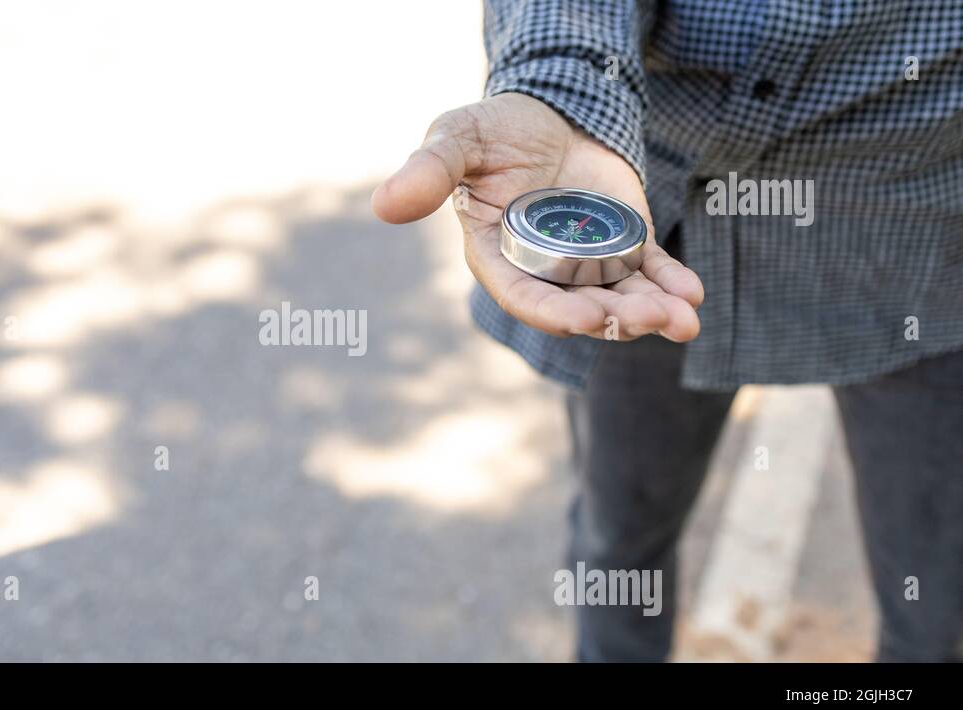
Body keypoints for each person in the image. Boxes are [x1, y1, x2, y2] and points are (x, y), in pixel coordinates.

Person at [372, 0, 963, 662]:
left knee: (935, 587)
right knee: (621, 547)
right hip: (650, 200)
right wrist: (559, 90)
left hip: (924, 234)